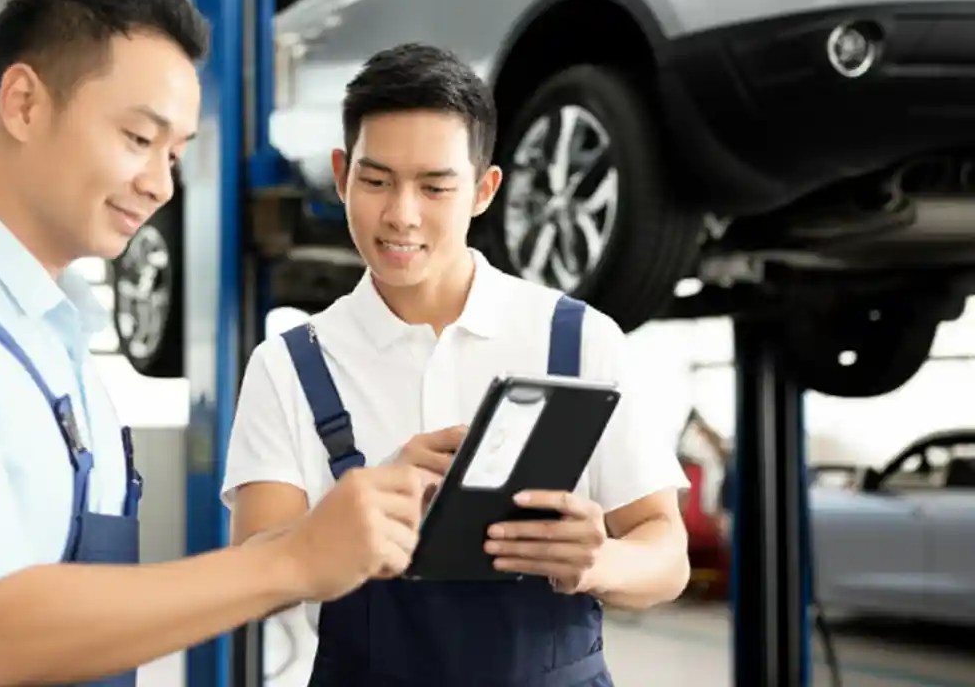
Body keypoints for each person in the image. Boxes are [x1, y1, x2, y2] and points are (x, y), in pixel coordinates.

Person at [0, 0, 428, 686]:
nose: (162, 184)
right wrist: (289, 561)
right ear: (24, 103)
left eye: (174, 153)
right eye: (138, 137)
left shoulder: (56, 343)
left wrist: (341, 526)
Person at [221, 43, 692, 686]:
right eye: (376, 180)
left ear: (483, 190)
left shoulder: (580, 342)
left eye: (435, 186)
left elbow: (667, 557)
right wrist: (359, 507)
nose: (401, 215)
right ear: (340, 175)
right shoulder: (289, 367)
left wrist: (600, 561)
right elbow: (250, 580)